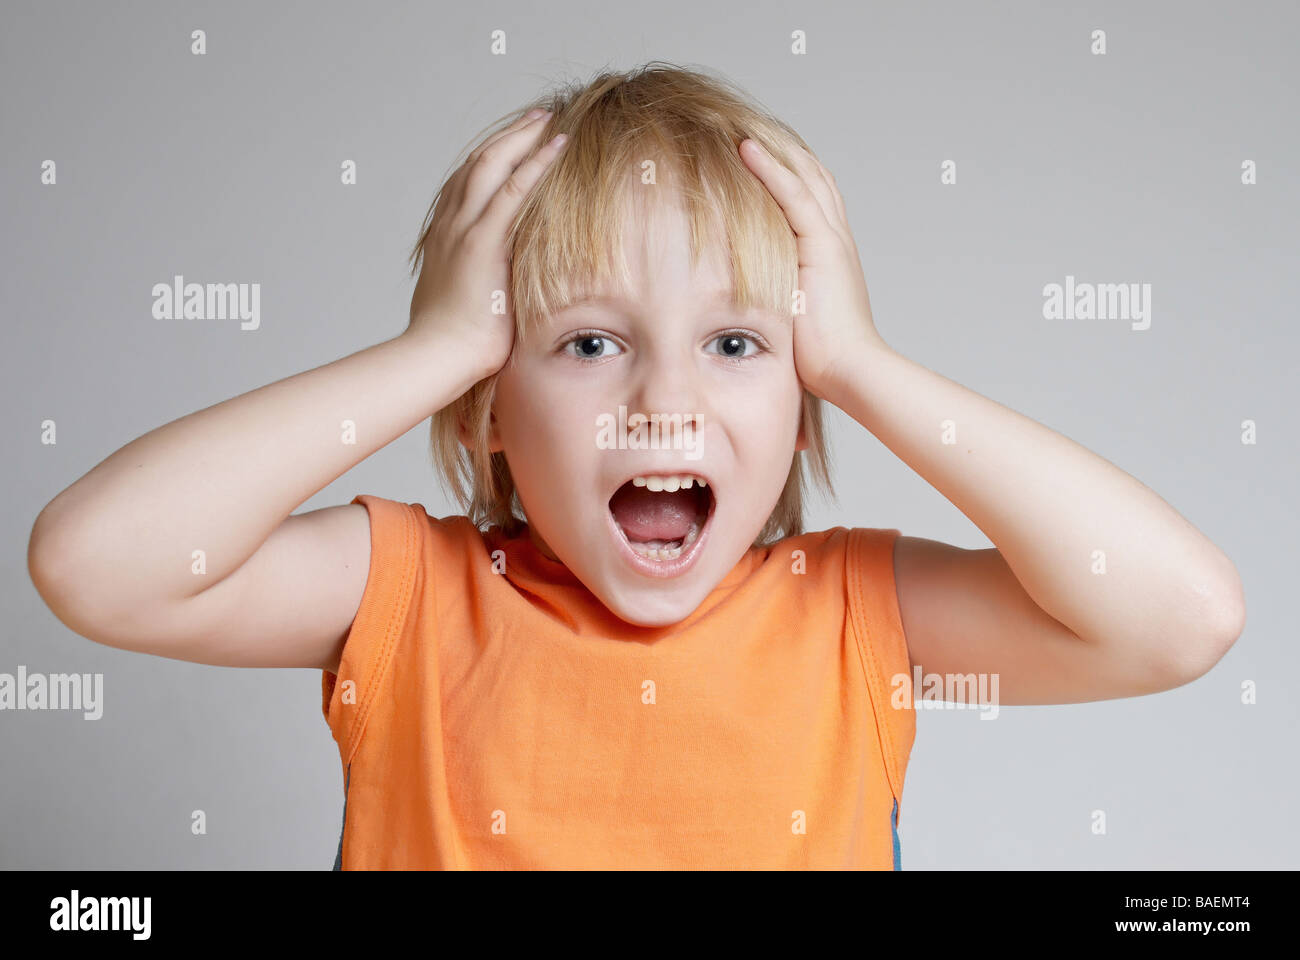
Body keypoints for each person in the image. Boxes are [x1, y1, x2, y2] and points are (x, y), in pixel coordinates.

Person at [26, 62, 1245, 870]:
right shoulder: (403, 594)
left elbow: (1180, 621)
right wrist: (432, 351)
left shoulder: (853, 616)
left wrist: (868, 367)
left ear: (802, 403)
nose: (665, 398)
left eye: (734, 343)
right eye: (590, 342)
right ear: (488, 412)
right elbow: (97, 565)